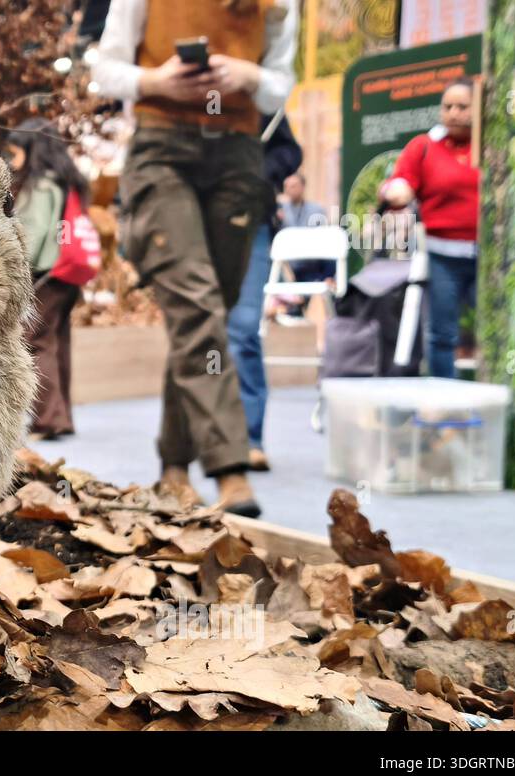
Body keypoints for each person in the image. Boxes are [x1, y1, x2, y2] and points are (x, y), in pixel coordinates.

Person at [95, 0, 298, 517]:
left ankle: (173, 468)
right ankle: (230, 469)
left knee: (203, 318)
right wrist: (157, 81)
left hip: (238, 153)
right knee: (199, 306)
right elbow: (105, 69)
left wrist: (249, 74)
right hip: (162, 148)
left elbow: (280, 84)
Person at [380, 77, 480, 379]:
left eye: (463, 106)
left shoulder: (491, 144)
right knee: (442, 335)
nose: (453, 113)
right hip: (442, 256)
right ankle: (444, 407)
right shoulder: (424, 147)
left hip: (489, 258)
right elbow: (400, 181)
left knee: (497, 331)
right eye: (447, 106)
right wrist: (395, 191)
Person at [226, 113, 302, 473]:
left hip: (252, 222)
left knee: (243, 328)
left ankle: (249, 437)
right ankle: (206, 439)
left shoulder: (257, 90)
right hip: (195, 224)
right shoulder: (188, 84)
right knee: (200, 331)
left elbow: (290, 150)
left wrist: (259, 175)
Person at [5, 119, 90, 440]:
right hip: (68, 274)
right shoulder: (67, 181)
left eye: (15, 153)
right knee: (57, 341)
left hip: (46, 274)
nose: (12, 161)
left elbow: (35, 232)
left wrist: (17, 270)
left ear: (32, 150)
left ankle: (49, 419)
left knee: (36, 341)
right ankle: (61, 413)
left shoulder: (40, 185)